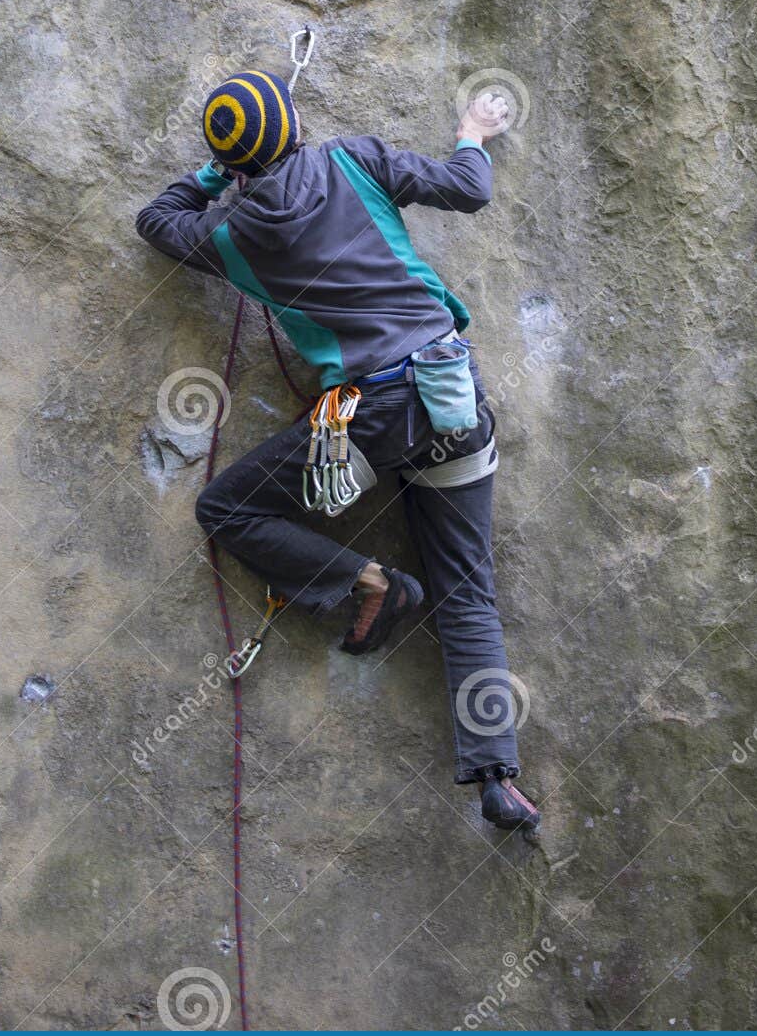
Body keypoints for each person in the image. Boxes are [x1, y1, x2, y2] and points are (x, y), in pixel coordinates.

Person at [135, 67, 539, 833]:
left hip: (371, 420)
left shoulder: (235, 234)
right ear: (294, 125)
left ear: (244, 165)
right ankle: (495, 775)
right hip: (450, 396)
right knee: (467, 590)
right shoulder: (357, 158)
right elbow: (466, 188)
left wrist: (213, 175)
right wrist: (473, 133)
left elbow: (157, 223)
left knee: (225, 507)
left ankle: (363, 582)